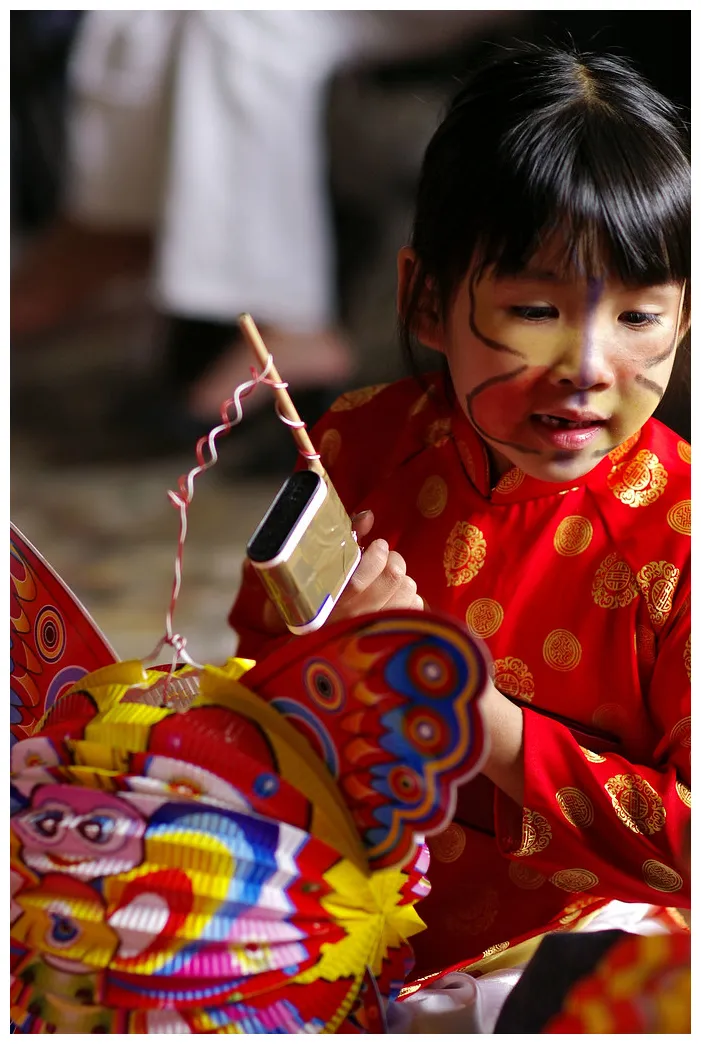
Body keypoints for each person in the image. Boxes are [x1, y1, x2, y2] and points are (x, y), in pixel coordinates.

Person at [228, 43, 691, 1025]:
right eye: (533, 310)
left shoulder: (679, 538)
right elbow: (247, 723)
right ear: (426, 302)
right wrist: (330, 665)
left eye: (641, 317)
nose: (587, 369)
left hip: (586, 973)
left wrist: (484, 727)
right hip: (344, 929)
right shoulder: (356, 445)